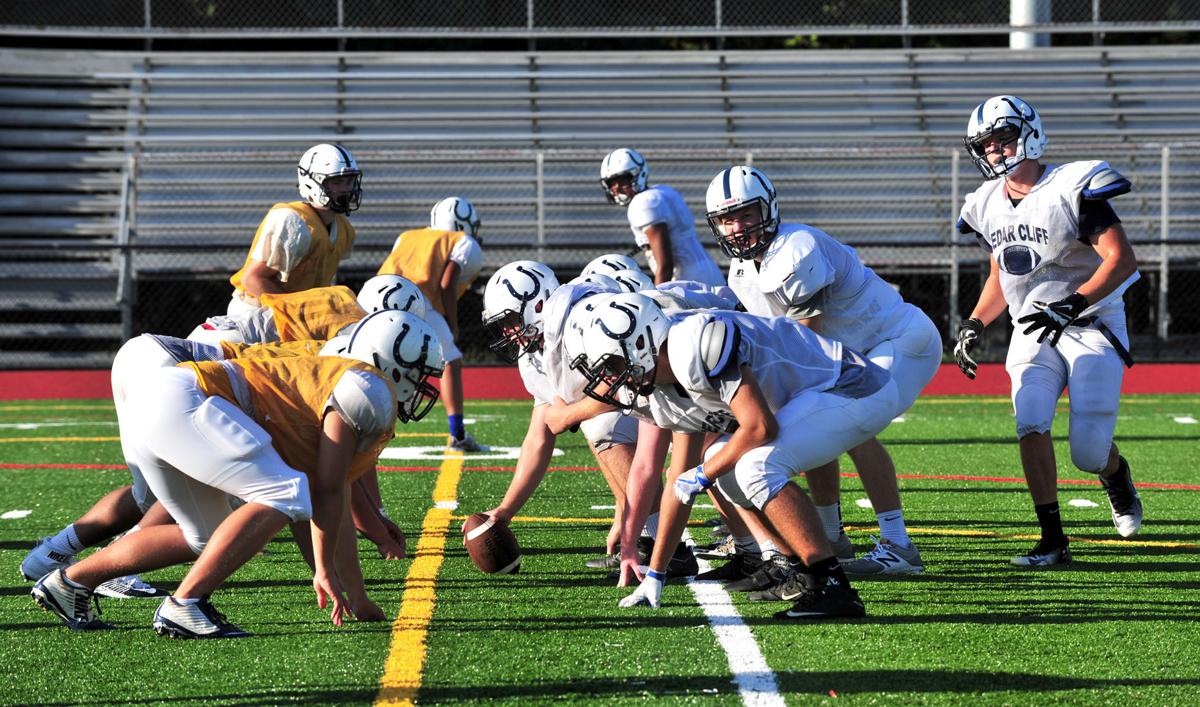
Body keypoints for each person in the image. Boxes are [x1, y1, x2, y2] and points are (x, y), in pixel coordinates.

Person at [31, 310, 443, 637]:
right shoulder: (366, 388)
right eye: (421, 371)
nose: (425, 385)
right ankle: (184, 605)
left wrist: (356, 594)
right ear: (390, 360)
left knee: (207, 539)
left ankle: (69, 582)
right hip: (180, 398)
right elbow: (325, 493)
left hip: (162, 401)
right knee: (285, 490)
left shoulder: (337, 379)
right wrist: (324, 572)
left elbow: (324, 500)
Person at [568, 293, 900, 619]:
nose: (609, 378)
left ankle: (831, 584)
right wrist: (656, 574)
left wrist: (703, 474)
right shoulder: (663, 386)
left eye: (612, 364)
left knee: (754, 466)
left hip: (850, 384)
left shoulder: (694, 345)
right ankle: (797, 569)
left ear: (642, 344)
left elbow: (759, 428)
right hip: (816, 396)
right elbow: (678, 481)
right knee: (722, 460)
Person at [706, 165, 942, 576]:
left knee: (852, 425)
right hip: (846, 354)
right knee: (811, 414)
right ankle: (831, 535)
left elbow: (803, 345)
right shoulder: (743, 269)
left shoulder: (796, 248)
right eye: (728, 220)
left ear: (769, 209)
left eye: (746, 215)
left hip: (898, 342)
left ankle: (898, 544)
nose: (738, 227)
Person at [954, 95, 1142, 566]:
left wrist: (1073, 304)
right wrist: (975, 322)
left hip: (1091, 323)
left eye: (1004, 139)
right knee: (1030, 421)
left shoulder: (1073, 185)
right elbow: (1002, 274)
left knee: (1089, 452)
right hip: (1033, 326)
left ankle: (1116, 476)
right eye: (987, 144)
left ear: (1030, 134)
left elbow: (1121, 260)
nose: (996, 151)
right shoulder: (983, 204)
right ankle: (1053, 538)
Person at [478, 263, 700, 575]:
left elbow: (622, 377)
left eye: (511, 321)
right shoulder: (538, 354)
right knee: (595, 422)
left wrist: (570, 413)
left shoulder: (576, 319)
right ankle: (654, 539)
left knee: (598, 422)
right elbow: (539, 435)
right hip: (658, 394)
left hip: (689, 376)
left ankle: (670, 545)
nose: (507, 332)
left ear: (537, 304)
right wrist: (505, 510)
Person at [378, 197, 485, 451]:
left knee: (380, 365)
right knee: (451, 361)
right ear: (462, 221)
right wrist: (452, 322)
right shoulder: (462, 242)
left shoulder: (407, 236)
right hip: (415, 298)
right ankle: (457, 435)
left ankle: (363, 427)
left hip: (379, 296)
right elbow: (447, 282)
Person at [225, 144, 361, 321]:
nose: (345, 189)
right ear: (312, 182)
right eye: (337, 182)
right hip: (257, 313)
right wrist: (295, 313)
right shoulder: (293, 221)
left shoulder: (343, 228)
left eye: (349, 181)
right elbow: (252, 279)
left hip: (293, 315)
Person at [600, 148, 726, 287]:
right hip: (709, 272)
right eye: (612, 183)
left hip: (686, 282)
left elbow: (665, 264)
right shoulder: (664, 191)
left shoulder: (643, 203)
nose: (616, 188)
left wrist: (657, 296)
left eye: (623, 180)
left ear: (638, 175)